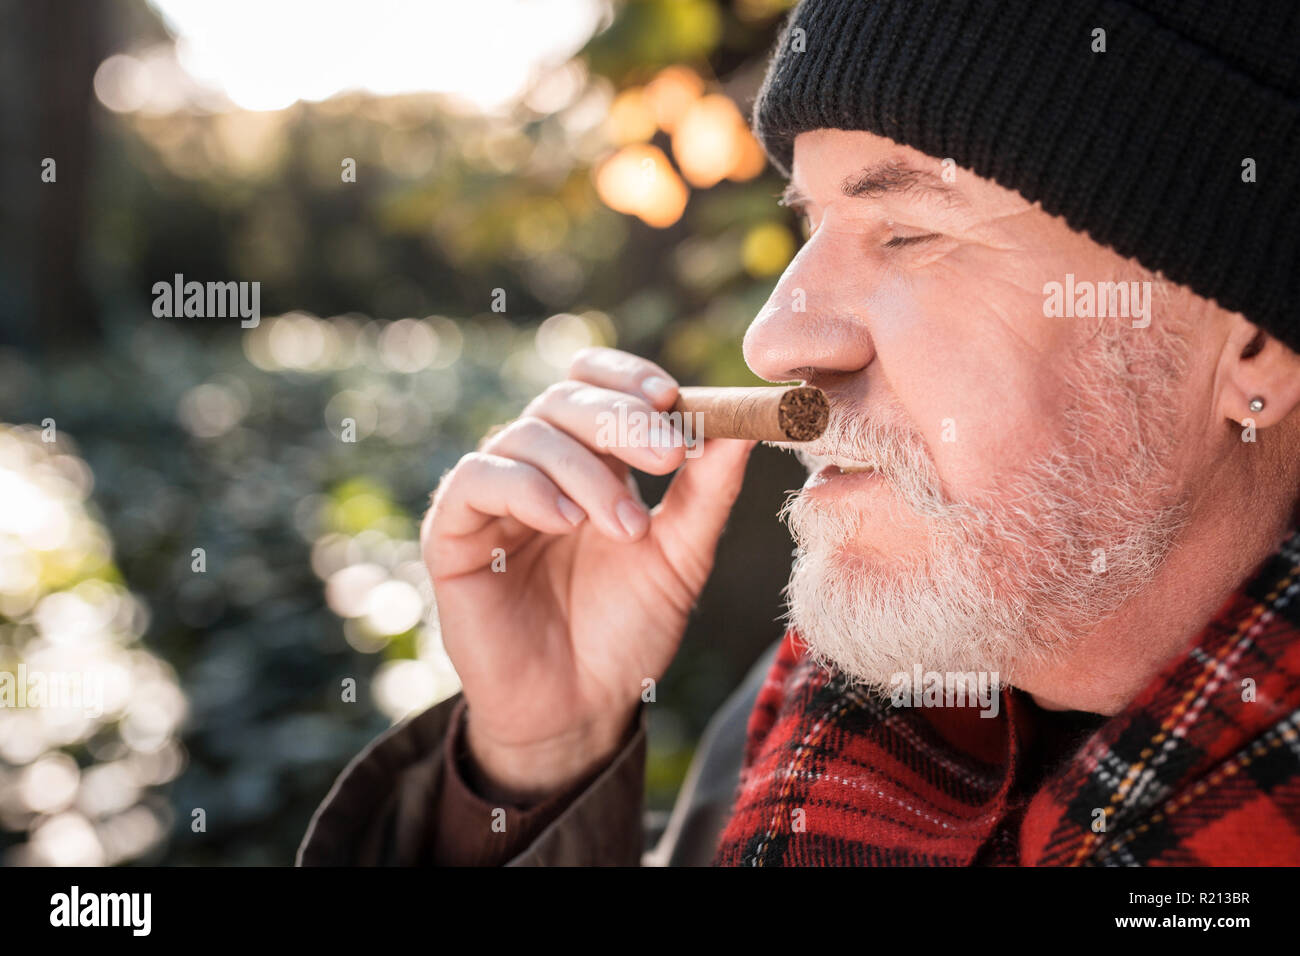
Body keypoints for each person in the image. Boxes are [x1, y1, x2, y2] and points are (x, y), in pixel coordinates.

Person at [299, 0, 1300, 866]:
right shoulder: (807, 725)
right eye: (804, 224)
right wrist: (538, 763)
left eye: (908, 232)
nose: (774, 338)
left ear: (1252, 342)